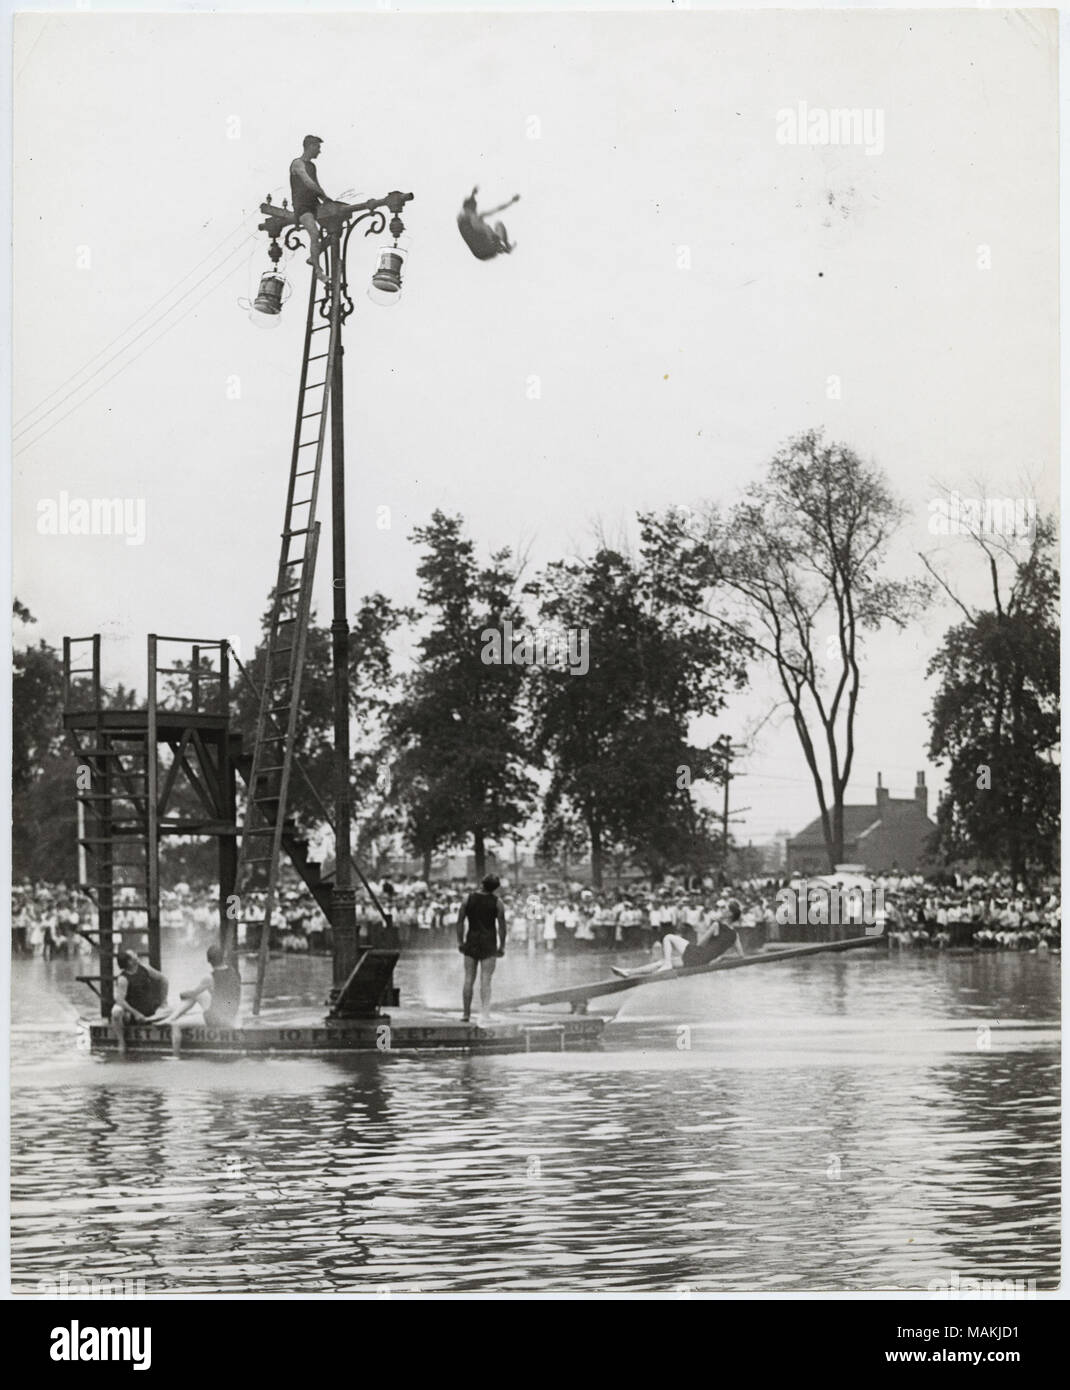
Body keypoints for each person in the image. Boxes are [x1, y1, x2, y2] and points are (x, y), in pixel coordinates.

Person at [613, 900, 747, 977]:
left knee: (668, 937)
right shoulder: (735, 935)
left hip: (698, 953)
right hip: (704, 960)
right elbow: (741, 955)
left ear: (729, 914)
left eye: (724, 909)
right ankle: (629, 972)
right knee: (660, 962)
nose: (721, 910)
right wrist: (723, 957)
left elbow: (700, 943)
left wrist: (711, 928)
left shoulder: (717, 924)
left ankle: (667, 964)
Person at [456, 874, 506, 1022]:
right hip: (489, 943)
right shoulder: (498, 903)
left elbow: (459, 921)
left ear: (482, 883)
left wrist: (459, 942)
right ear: (495, 888)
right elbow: (502, 927)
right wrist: (502, 946)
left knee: (468, 979)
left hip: (471, 940)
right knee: (486, 981)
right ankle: (485, 1014)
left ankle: (466, 1014)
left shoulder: (467, 899)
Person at [163, 944, 241, 1029]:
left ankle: (171, 1019)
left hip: (217, 1020)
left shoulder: (209, 978)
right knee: (201, 994)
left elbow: (192, 994)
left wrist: (181, 994)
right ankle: (171, 1018)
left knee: (196, 994)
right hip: (231, 1014)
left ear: (209, 961)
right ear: (223, 957)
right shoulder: (234, 972)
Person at [289, 134, 332, 286]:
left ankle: (313, 256)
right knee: (314, 233)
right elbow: (308, 182)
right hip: (302, 207)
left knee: (335, 232)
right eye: (318, 147)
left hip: (314, 205)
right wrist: (325, 197)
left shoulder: (313, 166)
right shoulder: (297, 163)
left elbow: (316, 185)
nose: (319, 151)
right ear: (310, 146)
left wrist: (326, 201)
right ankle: (318, 271)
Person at [110, 950, 169, 1055]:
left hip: (150, 1009)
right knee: (116, 1011)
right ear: (129, 962)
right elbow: (120, 1000)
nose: (137, 955)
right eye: (134, 955)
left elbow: (163, 979)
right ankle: (121, 1042)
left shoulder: (145, 968)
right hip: (133, 1013)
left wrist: (163, 1001)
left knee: (173, 1010)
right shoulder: (123, 979)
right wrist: (136, 1013)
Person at [457, 187, 519, 260]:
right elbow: (497, 209)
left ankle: (502, 244)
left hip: (480, 254)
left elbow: (468, 206)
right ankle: (500, 244)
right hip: (487, 249)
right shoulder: (473, 217)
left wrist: (473, 194)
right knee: (495, 224)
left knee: (491, 224)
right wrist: (511, 202)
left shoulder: (463, 217)